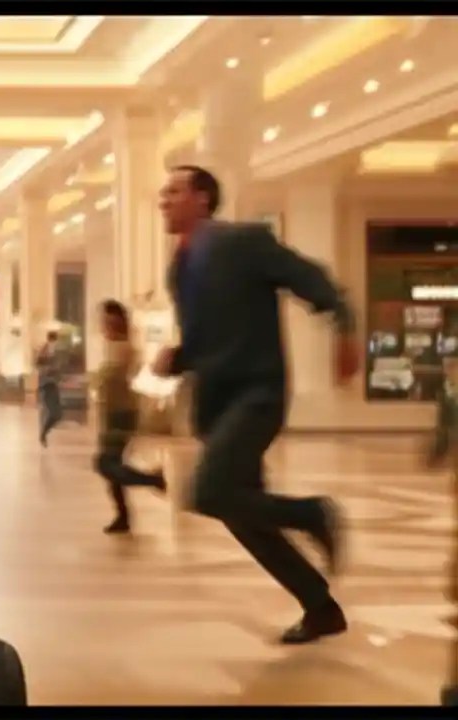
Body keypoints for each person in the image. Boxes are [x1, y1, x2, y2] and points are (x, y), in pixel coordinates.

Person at [151, 165, 357, 644]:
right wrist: (177, 358)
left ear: (203, 199)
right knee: (242, 512)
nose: (164, 199)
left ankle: (314, 514)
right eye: (163, 193)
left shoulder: (243, 241)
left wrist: (343, 323)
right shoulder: (179, 267)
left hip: (256, 393)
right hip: (216, 402)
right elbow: (205, 338)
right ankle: (320, 607)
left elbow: (307, 276)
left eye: (174, 191)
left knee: (207, 491)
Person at [94, 299, 166, 534]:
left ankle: (153, 480)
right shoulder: (114, 346)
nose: (103, 324)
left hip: (120, 414)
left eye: (107, 319)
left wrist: (99, 378)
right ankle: (123, 516)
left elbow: (113, 377)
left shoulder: (124, 348)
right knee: (113, 467)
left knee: (105, 463)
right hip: (112, 412)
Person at [35, 330, 65, 446]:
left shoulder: (53, 351)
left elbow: (58, 366)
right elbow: (40, 365)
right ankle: (43, 433)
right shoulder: (44, 350)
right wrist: (49, 369)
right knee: (53, 412)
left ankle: (43, 432)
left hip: (52, 384)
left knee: (56, 413)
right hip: (47, 384)